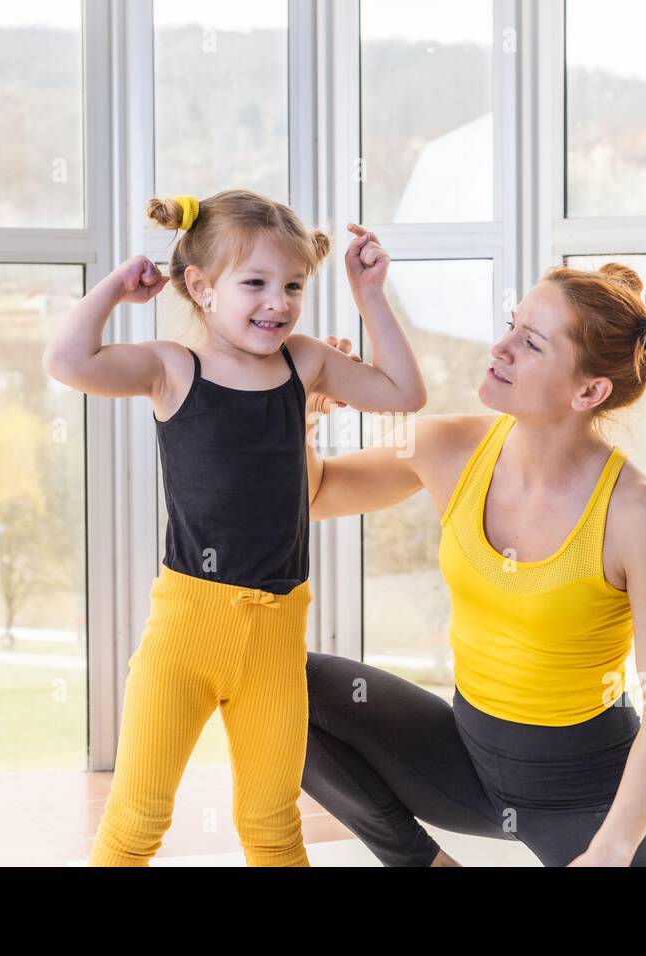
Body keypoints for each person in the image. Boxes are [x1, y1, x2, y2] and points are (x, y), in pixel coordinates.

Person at [42, 189, 427, 866]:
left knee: (273, 825)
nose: (277, 302)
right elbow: (68, 362)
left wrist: (370, 296)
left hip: (276, 639)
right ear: (202, 287)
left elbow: (404, 395)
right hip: (185, 637)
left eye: (293, 285)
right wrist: (112, 290)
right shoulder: (170, 368)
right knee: (136, 821)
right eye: (254, 283)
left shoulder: (303, 362)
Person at [301, 262, 646, 866]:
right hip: (464, 762)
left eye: (531, 343)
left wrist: (611, 850)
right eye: (512, 326)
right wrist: (302, 414)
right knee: (276, 683)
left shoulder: (643, 516)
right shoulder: (447, 448)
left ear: (589, 391)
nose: (500, 347)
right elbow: (317, 492)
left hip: (590, 797)